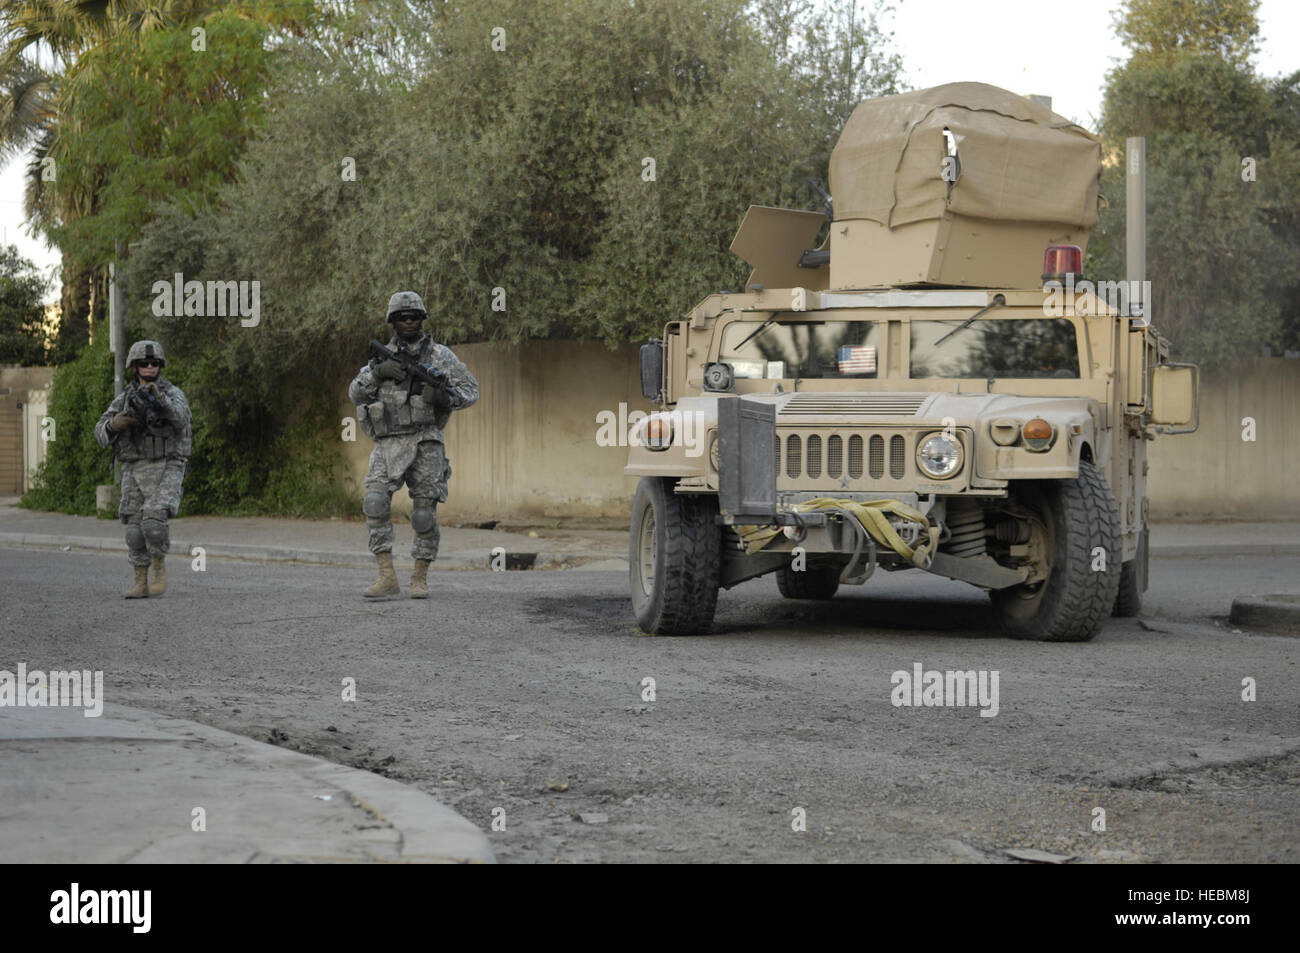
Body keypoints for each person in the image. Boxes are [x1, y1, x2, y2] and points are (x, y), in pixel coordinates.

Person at [349, 291, 479, 598]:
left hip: (426, 441)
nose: (408, 322)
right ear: (393, 322)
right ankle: (386, 576)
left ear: (421, 319)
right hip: (389, 442)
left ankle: (419, 579)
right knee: (375, 502)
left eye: (413, 317)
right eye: (401, 317)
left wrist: (445, 397)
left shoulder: (440, 356)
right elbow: (355, 393)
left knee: (424, 513)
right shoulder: (380, 359)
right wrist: (377, 374)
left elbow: (470, 390)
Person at [94, 340, 192, 598]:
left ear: (160, 366)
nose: (149, 367)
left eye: (154, 363)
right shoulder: (125, 397)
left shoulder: (172, 394)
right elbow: (100, 430)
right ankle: (140, 580)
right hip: (135, 466)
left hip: (168, 463)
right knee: (135, 530)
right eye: (144, 363)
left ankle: (159, 567)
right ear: (134, 366)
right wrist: (116, 424)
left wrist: (159, 401)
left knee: (153, 523)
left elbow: (181, 419)